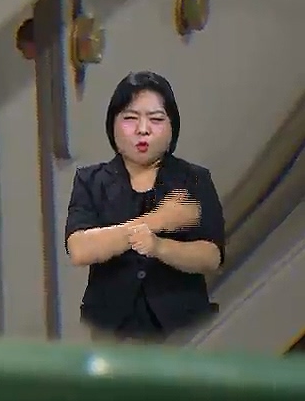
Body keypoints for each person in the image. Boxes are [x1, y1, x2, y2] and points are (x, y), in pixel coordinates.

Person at [63, 70, 225, 342]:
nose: (143, 129)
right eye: (130, 118)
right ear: (112, 125)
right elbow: (80, 250)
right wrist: (156, 221)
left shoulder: (195, 179)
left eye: (156, 119)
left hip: (183, 328)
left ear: (172, 126)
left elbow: (211, 256)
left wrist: (160, 247)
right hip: (110, 330)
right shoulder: (90, 180)